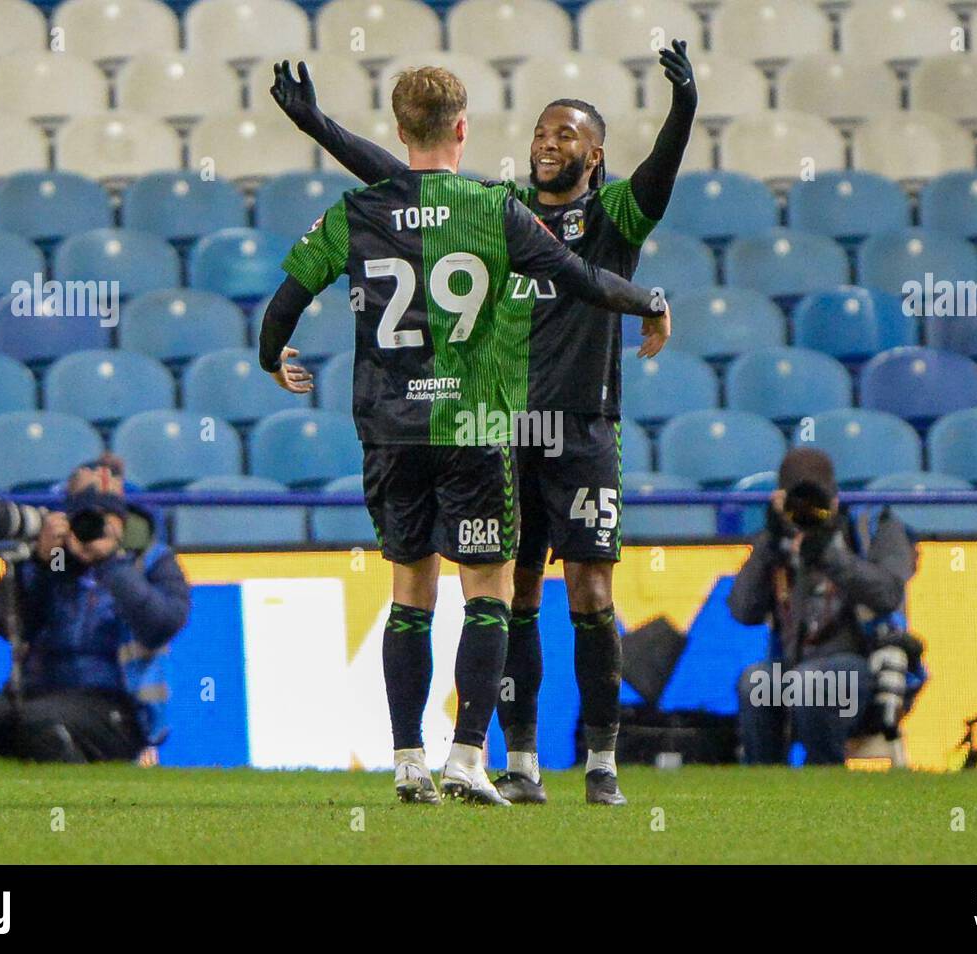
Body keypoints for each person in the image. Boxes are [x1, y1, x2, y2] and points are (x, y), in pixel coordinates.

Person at [268, 41, 697, 805]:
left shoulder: (614, 213)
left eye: (565, 134)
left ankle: (597, 760)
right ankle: (514, 760)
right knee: (514, 595)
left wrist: (684, 108)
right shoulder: (501, 208)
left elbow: (656, 176)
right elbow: (404, 183)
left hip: (574, 426)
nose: (545, 142)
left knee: (587, 592)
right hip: (494, 430)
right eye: (539, 131)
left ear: (595, 155)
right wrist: (321, 126)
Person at [0, 454, 190, 763]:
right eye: (85, 519)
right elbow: (3, 622)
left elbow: (161, 625)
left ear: (123, 522)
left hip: (118, 706)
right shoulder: (53, 561)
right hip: (37, 694)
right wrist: (39, 564)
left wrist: (112, 564)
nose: (93, 528)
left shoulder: (149, 560)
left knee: (40, 724)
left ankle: (82, 801)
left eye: (105, 519)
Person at [728, 448, 924, 765]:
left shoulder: (871, 527)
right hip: (791, 671)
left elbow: (887, 593)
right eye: (796, 501)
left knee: (811, 681)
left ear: (835, 499)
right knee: (755, 682)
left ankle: (825, 778)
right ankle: (764, 789)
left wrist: (829, 554)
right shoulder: (777, 541)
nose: (806, 511)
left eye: (815, 501)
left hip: (864, 674)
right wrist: (768, 544)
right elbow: (742, 611)